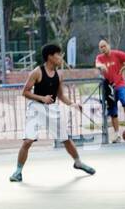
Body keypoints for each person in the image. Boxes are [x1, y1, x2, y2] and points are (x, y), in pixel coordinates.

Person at [10, 43, 96, 182]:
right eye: (58, 54)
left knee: (66, 139)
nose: (60, 57)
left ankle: (78, 162)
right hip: (35, 108)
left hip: (51, 109)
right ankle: (18, 171)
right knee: (28, 141)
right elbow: (25, 92)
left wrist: (73, 104)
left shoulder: (59, 75)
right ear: (50, 57)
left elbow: (61, 96)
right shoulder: (37, 72)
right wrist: (42, 98)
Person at [94, 38, 125, 145]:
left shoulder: (117, 54)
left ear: (108, 45)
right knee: (113, 112)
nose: (103, 48)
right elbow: (97, 64)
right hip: (109, 88)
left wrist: (124, 68)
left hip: (120, 84)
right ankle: (117, 134)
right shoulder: (100, 57)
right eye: (101, 47)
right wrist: (101, 66)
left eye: (104, 46)